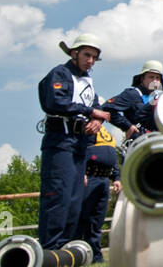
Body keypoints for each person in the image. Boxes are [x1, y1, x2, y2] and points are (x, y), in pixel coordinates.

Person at [37, 33, 110, 249]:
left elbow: (95, 107)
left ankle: (66, 248)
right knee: (58, 196)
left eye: (94, 58)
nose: (90, 61)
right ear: (74, 53)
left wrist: (97, 120)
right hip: (60, 140)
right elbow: (56, 102)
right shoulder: (60, 73)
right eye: (87, 55)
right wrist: (90, 111)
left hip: (80, 142)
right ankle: (51, 249)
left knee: (74, 201)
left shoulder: (87, 81)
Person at [79, 124, 120, 262]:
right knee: (84, 217)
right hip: (90, 177)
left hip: (103, 179)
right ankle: (78, 253)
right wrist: (81, 171)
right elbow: (80, 148)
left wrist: (116, 177)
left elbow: (112, 153)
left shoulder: (103, 130)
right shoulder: (87, 126)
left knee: (97, 220)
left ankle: (96, 256)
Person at [104, 59, 163, 139]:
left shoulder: (159, 99)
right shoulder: (132, 94)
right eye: (151, 77)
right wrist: (127, 126)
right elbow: (107, 108)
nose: (155, 81)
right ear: (142, 78)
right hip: (137, 144)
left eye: (157, 78)